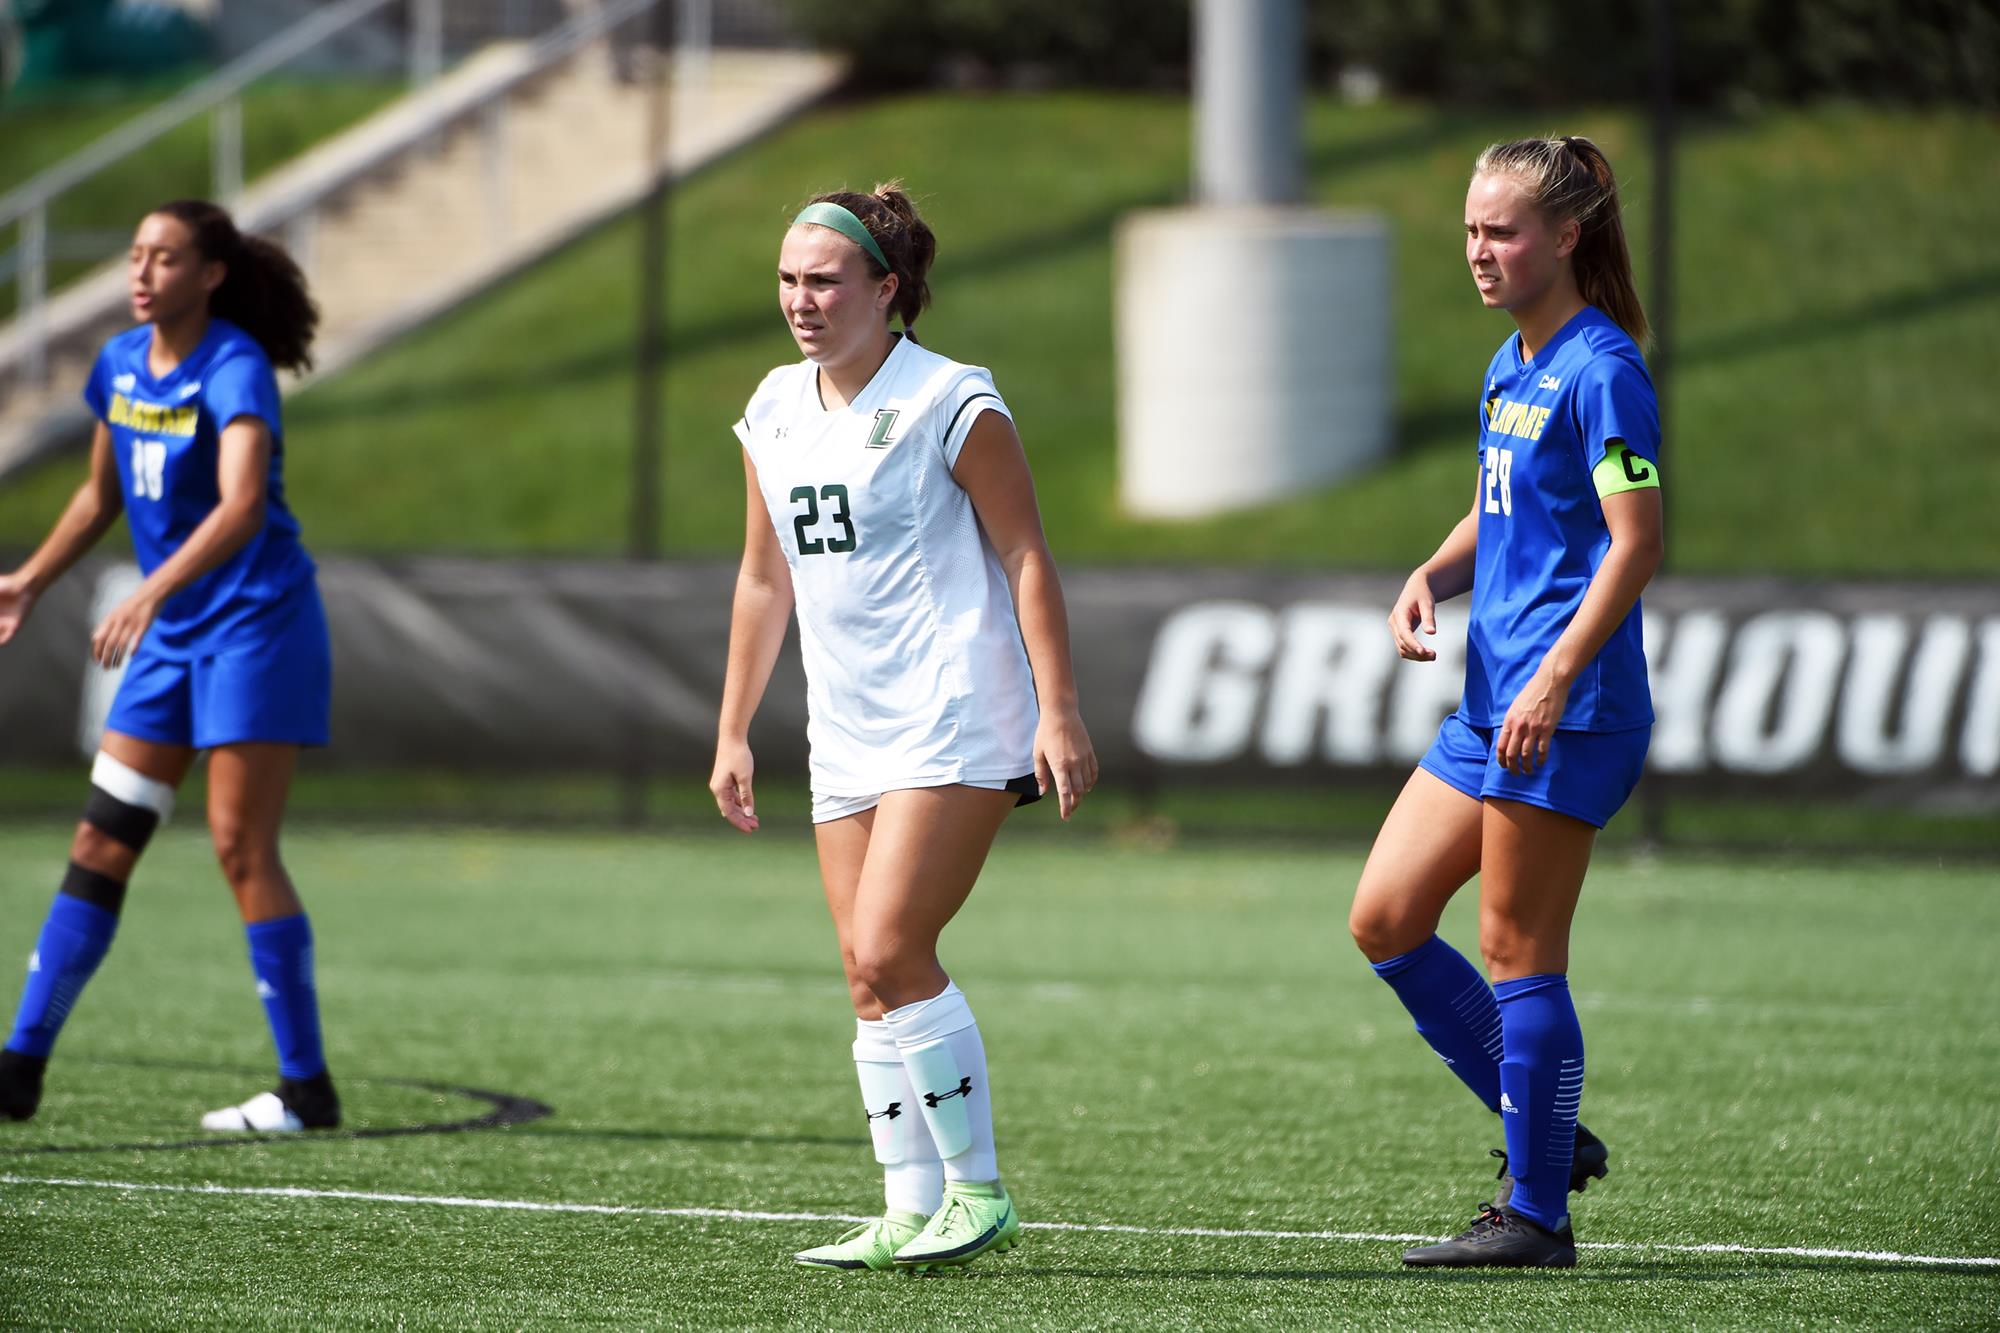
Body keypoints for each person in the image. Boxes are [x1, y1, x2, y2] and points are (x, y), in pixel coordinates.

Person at [710, 182, 1096, 1273]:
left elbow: (1026, 554)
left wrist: (1059, 708)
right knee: (861, 971)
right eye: (788, 280)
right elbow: (761, 578)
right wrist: (733, 729)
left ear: (887, 289)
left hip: (954, 710)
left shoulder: (950, 399)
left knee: (891, 947)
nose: (802, 300)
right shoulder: (773, 406)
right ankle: (905, 1206)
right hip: (845, 725)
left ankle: (978, 1192)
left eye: (825, 280)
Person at [1347, 136, 1663, 1268]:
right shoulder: (1511, 361)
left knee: (1516, 948)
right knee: (1385, 916)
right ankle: (1545, 1134)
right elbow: (1499, 507)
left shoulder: (1601, 368)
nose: (1480, 250)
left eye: (1504, 231)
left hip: (1564, 709)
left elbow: (1635, 543)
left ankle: (1536, 1215)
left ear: (1566, 237)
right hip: (1491, 703)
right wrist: (1429, 574)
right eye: (1472, 230)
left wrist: (1556, 673)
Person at [0, 200, 339, 1135]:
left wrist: (147, 593)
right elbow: (98, 494)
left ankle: (307, 1088)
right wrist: (29, 580)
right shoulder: (118, 363)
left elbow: (240, 506)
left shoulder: (234, 366)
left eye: (165, 257)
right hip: (174, 638)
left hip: (256, 627)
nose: (142, 273)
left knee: (239, 847)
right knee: (101, 840)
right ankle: (19, 1066)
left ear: (211, 274)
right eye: (136, 255)